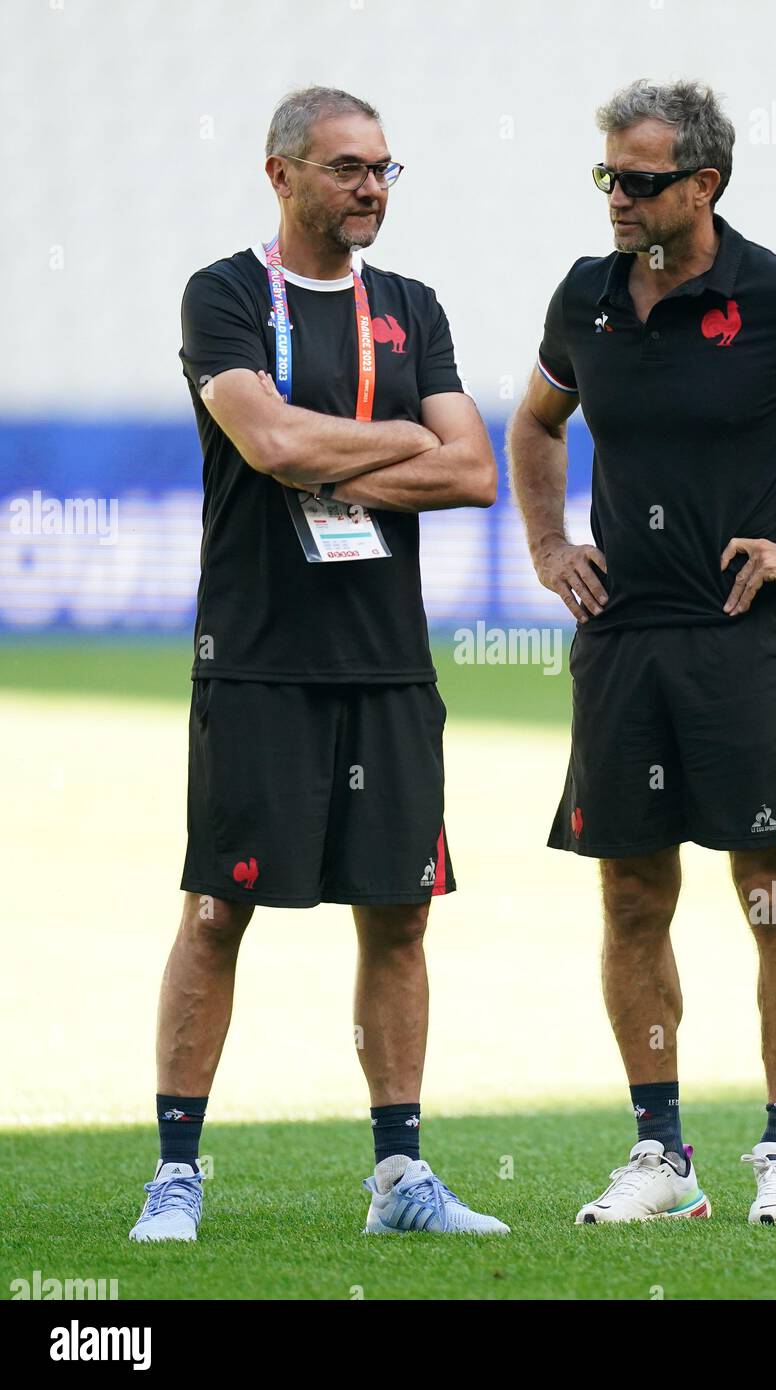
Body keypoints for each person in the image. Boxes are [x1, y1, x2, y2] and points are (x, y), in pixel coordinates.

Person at [508, 78, 776, 1226]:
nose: (617, 197)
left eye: (641, 179)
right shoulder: (585, 297)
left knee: (773, 891)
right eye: (606, 175)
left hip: (743, 638)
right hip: (620, 640)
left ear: (703, 184)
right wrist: (549, 542)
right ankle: (662, 1156)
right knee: (632, 894)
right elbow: (534, 423)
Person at [130, 86, 507, 1241]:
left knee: (400, 915)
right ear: (281, 174)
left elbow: (476, 471)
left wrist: (335, 463)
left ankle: (399, 1178)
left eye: (385, 168)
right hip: (257, 656)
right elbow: (270, 440)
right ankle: (178, 1173)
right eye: (347, 167)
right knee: (216, 908)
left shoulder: (412, 307)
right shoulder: (227, 294)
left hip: (388, 662)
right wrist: (398, 442)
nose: (370, 188)